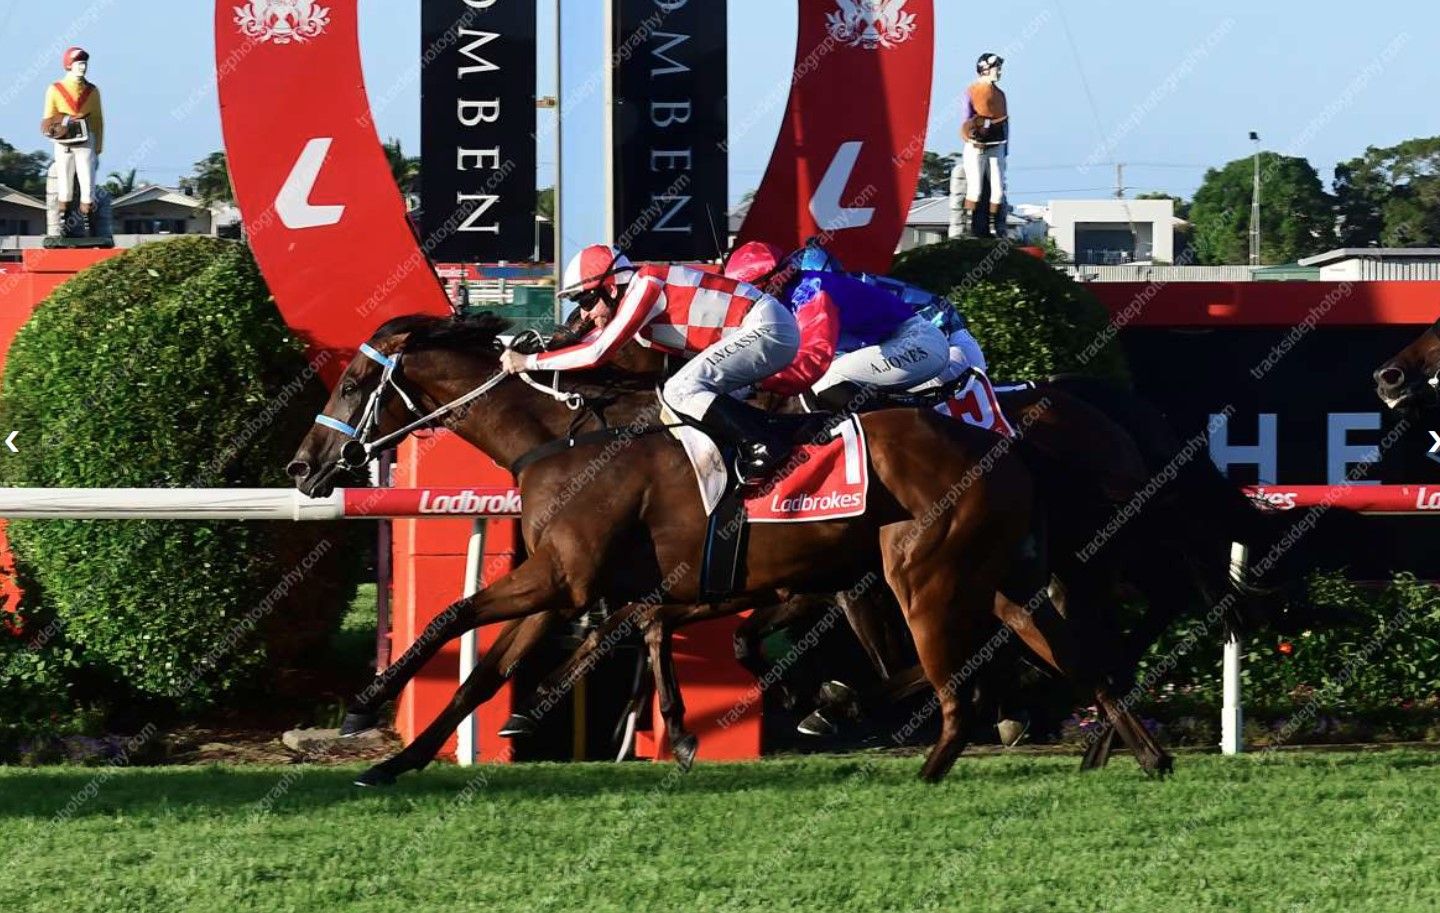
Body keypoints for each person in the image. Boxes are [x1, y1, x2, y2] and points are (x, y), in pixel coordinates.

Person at [500, 245, 800, 483]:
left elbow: (597, 353)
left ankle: (764, 446)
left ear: (612, 287)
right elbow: (587, 342)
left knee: (679, 390)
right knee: (683, 406)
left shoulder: (646, 285)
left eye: (587, 302)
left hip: (767, 327)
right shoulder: (631, 302)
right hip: (759, 331)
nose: (586, 313)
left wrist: (528, 362)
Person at [723, 241, 949, 409]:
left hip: (919, 342)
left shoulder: (811, 293)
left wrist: (757, 384)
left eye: (749, 291)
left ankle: (895, 432)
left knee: (826, 380)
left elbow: (814, 358)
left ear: (770, 281)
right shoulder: (790, 294)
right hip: (898, 341)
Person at [42, 47, 104, 235]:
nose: (82, 67)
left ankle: (88, 222)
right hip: (63, 141)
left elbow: (98, 120)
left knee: (88, 182)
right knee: (64, 183)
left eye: (84, 63)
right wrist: (57, 128)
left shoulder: (92, 91)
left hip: (86, 139)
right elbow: (48, 118)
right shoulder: (55, 89)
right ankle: (63, 222)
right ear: (68, 65)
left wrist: (98, 146)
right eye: (78, 63)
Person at [962, 52, 1008, 239]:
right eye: (997, 67)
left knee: (997, 190)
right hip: (976, 145)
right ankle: (970, 226)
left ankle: (993, 226)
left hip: (997, 144)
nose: (999, 72)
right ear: (985, 69)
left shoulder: (1000, 94)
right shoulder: (972, 90)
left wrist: (1006, 149)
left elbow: (1005, 122)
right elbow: (965, 119)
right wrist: (969, 136)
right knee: (976, 188)